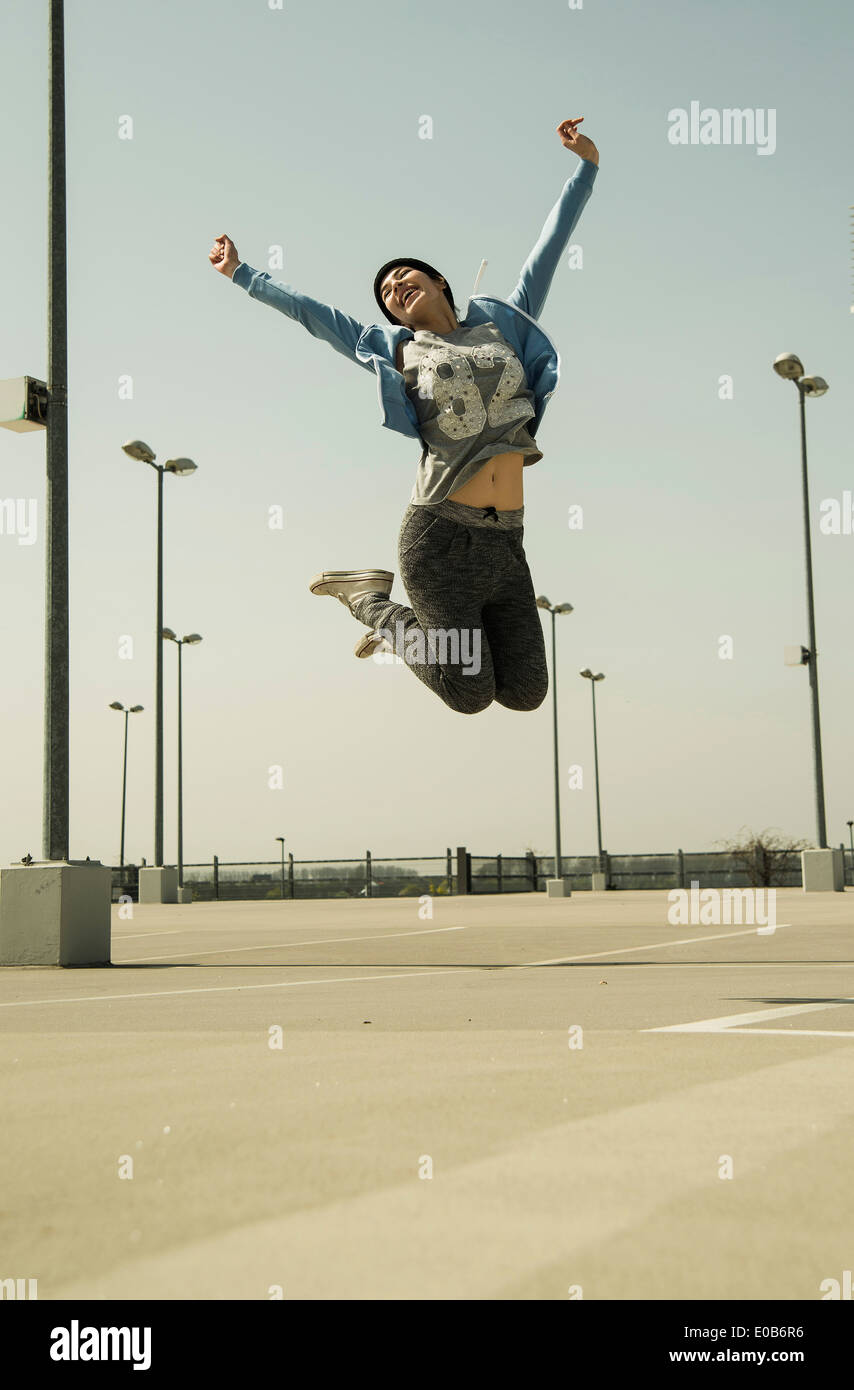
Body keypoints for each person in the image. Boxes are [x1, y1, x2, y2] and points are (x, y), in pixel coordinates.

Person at [210, 117, 599, 715]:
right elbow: (311, 313)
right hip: (440, 537)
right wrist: (243, 273)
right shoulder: (394, 349)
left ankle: (407, 633)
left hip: (507, 540)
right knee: (469, 694)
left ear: (439, 281)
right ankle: (374, 605)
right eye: (387, 292)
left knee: (524, 693)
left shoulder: (505, 323)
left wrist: (585, 168)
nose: (394, 287)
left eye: (403, 276)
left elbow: (547, 251)